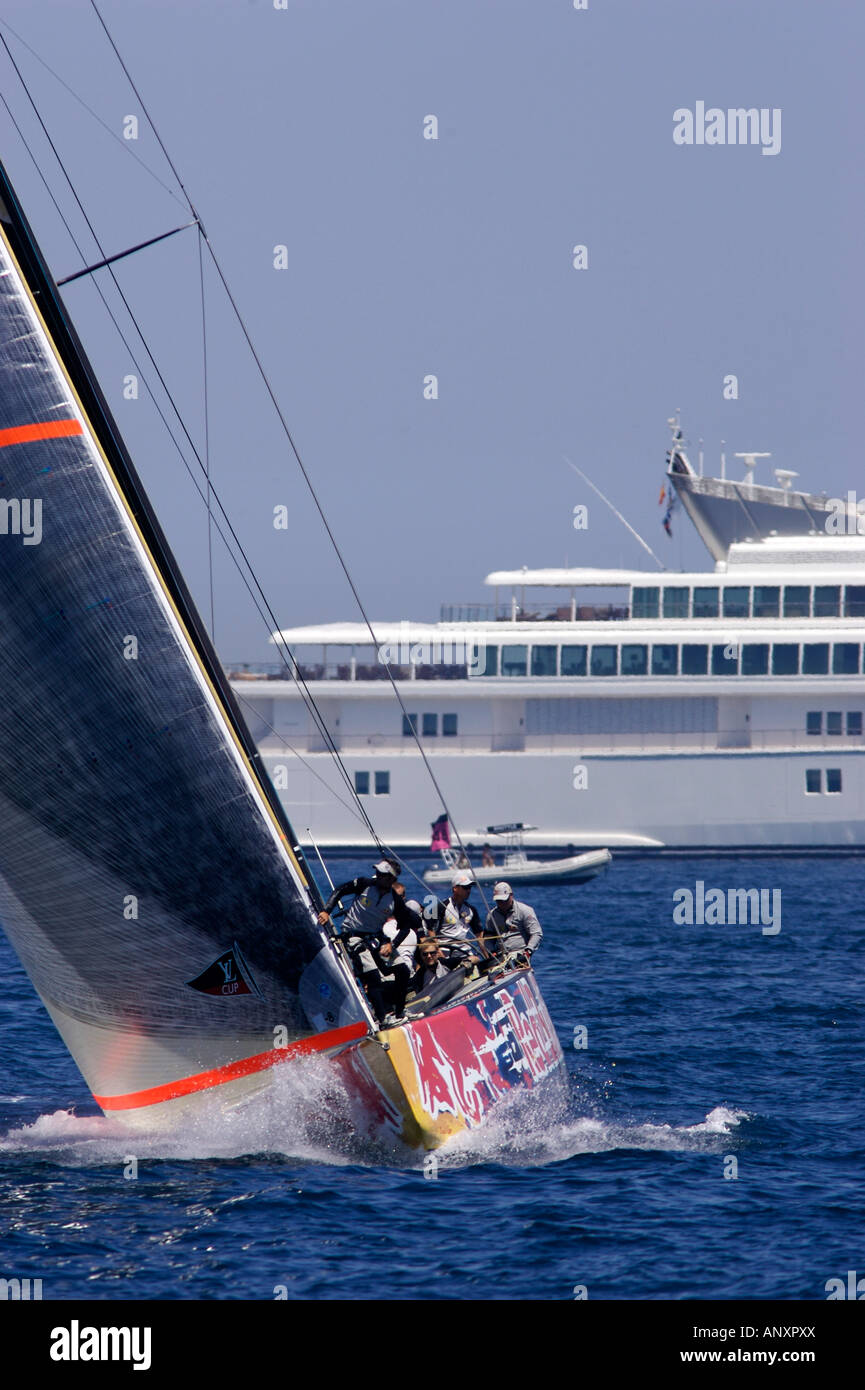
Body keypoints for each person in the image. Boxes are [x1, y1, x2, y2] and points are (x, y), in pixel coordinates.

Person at [317, 860, 421, 1022]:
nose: (378, 876)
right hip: (353, 936)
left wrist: (391, 945)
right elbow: (341, 890)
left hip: (376, 937)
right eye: (378, 873)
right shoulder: (365, 884)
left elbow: (406, 926)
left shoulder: (395, 899)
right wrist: (326, 911)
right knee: (372, 976)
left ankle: (400, 1013)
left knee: (403, 971)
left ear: (391, 879)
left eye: (383, 874)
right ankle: (383, 1018)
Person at [428, 871, 487, 967]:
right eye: (465, 887)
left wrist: (488, 957)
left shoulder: (471, 910)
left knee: (477, 960)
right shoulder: (441, 907)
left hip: (465, 953)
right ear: (455, 888)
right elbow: (430, 930)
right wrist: (438, 952)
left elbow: (479, 936)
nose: (469, 890)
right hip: (445, 954)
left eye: (470, 887)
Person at [484, 881, 543, 964]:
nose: (502, 903)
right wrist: (491, 952)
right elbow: (488, 938)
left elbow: (536, 933)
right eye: (499, 901)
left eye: (505, 900)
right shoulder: (491, 916)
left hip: (520, 955)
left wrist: (528, 951)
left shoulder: (525, 911)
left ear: (511, 895)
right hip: (500, 957)